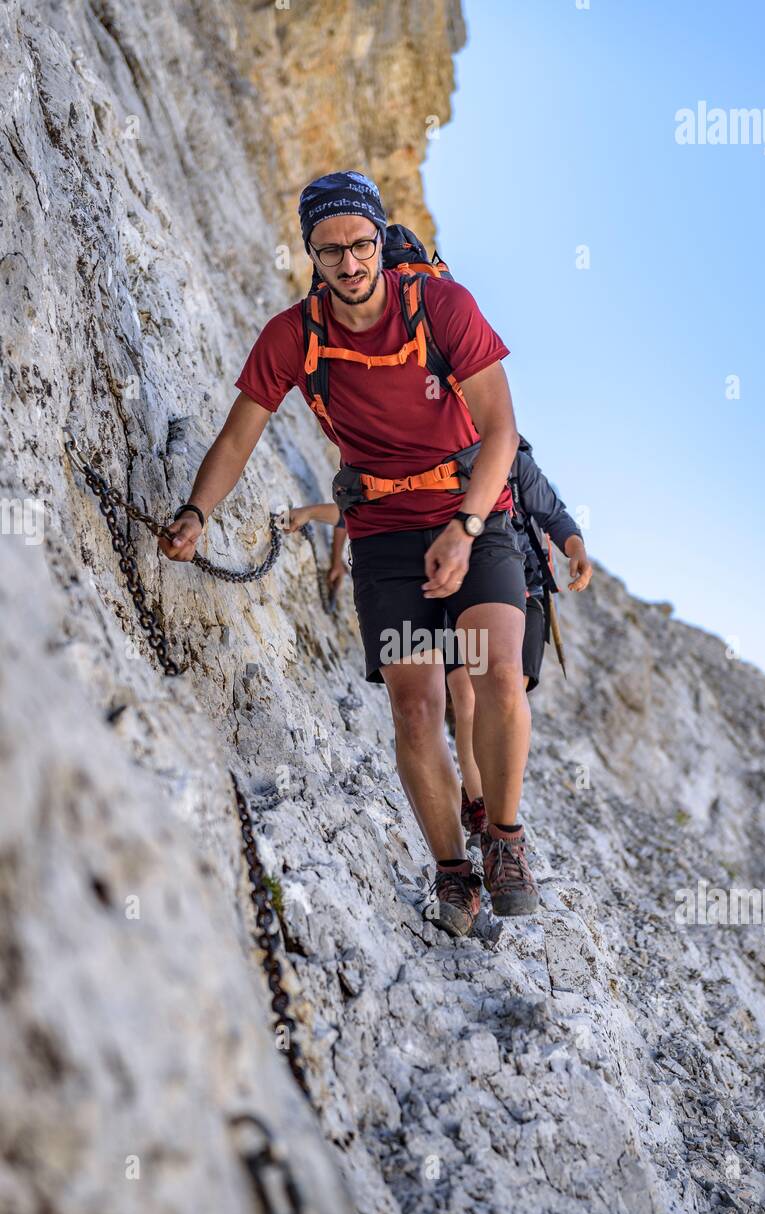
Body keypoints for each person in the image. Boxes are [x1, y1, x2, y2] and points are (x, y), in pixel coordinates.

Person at [158, 169, 537, 936]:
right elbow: (239, 435)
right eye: (330, 250)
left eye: (361, 244)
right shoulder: (293, 336)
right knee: (414, 706)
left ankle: (502, 838)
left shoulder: (442, 307)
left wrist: (463, 531)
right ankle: (451, 871)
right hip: (386, 536)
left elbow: (501, 430)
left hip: (476, 516)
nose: (350, 263)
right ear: (311, 254)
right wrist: (199, 510)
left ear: (380, 242)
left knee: (497, 672)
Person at [446, 449, 592, 847]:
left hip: (526, 593)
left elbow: (553, 514)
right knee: (465, 696)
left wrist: (575, 550)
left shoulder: (512, 458)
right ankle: (479, 806)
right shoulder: (434, 443)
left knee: (505, 690)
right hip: (463, 586)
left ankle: (497, 811)